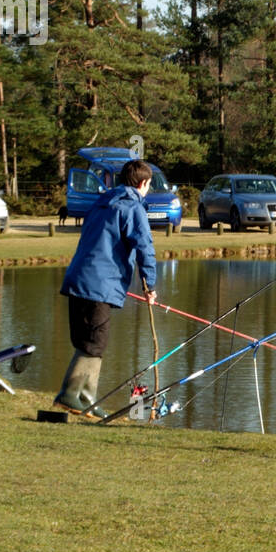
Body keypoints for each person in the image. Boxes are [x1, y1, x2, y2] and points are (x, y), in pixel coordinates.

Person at [54, 159, 158, 418]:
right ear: (143, 183)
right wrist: (150, 285)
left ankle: (86, 399)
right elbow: (145, 247)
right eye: (149, 185)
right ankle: (69, 394)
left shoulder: (101, 202)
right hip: (98, 283)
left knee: (87, 341)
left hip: (78, 278)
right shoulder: (133, 208)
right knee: (94, 342)